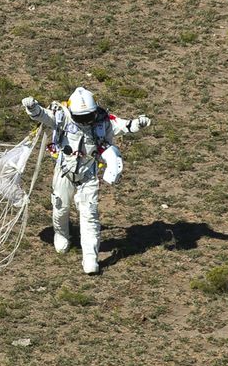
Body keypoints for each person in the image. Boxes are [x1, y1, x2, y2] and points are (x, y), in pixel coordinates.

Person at [21, 87, 151, 274]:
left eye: (88, 116)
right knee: (60, 207)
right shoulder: (63, 116)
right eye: (80, 117)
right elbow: (44, 116)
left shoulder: (103, 121)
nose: (85, 121)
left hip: (88, 175)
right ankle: (62, 234)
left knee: (89, 216)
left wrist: (138, 123)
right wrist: (33, 108)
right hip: (64, 171)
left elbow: (124, 126)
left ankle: (90, 258)